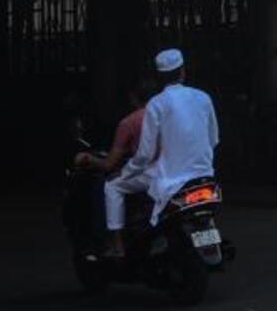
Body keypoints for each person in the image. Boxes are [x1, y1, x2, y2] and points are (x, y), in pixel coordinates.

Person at [104, 47, 219, 257]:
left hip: (169, 178)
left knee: (112, 186)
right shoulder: (204, 97)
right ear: (183, 71)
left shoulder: (156, 104)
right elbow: (213, 140)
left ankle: (117, 247)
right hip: (204, 176)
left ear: (160, 77)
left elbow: (145, 155)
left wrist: (125, 173)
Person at [75, 78, 156, 177]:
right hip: (167, 174)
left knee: (110, 187)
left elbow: (108, 165)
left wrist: (88, 158)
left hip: (144, 176)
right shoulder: (165, 116)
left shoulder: (128, 123)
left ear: (132, 97)